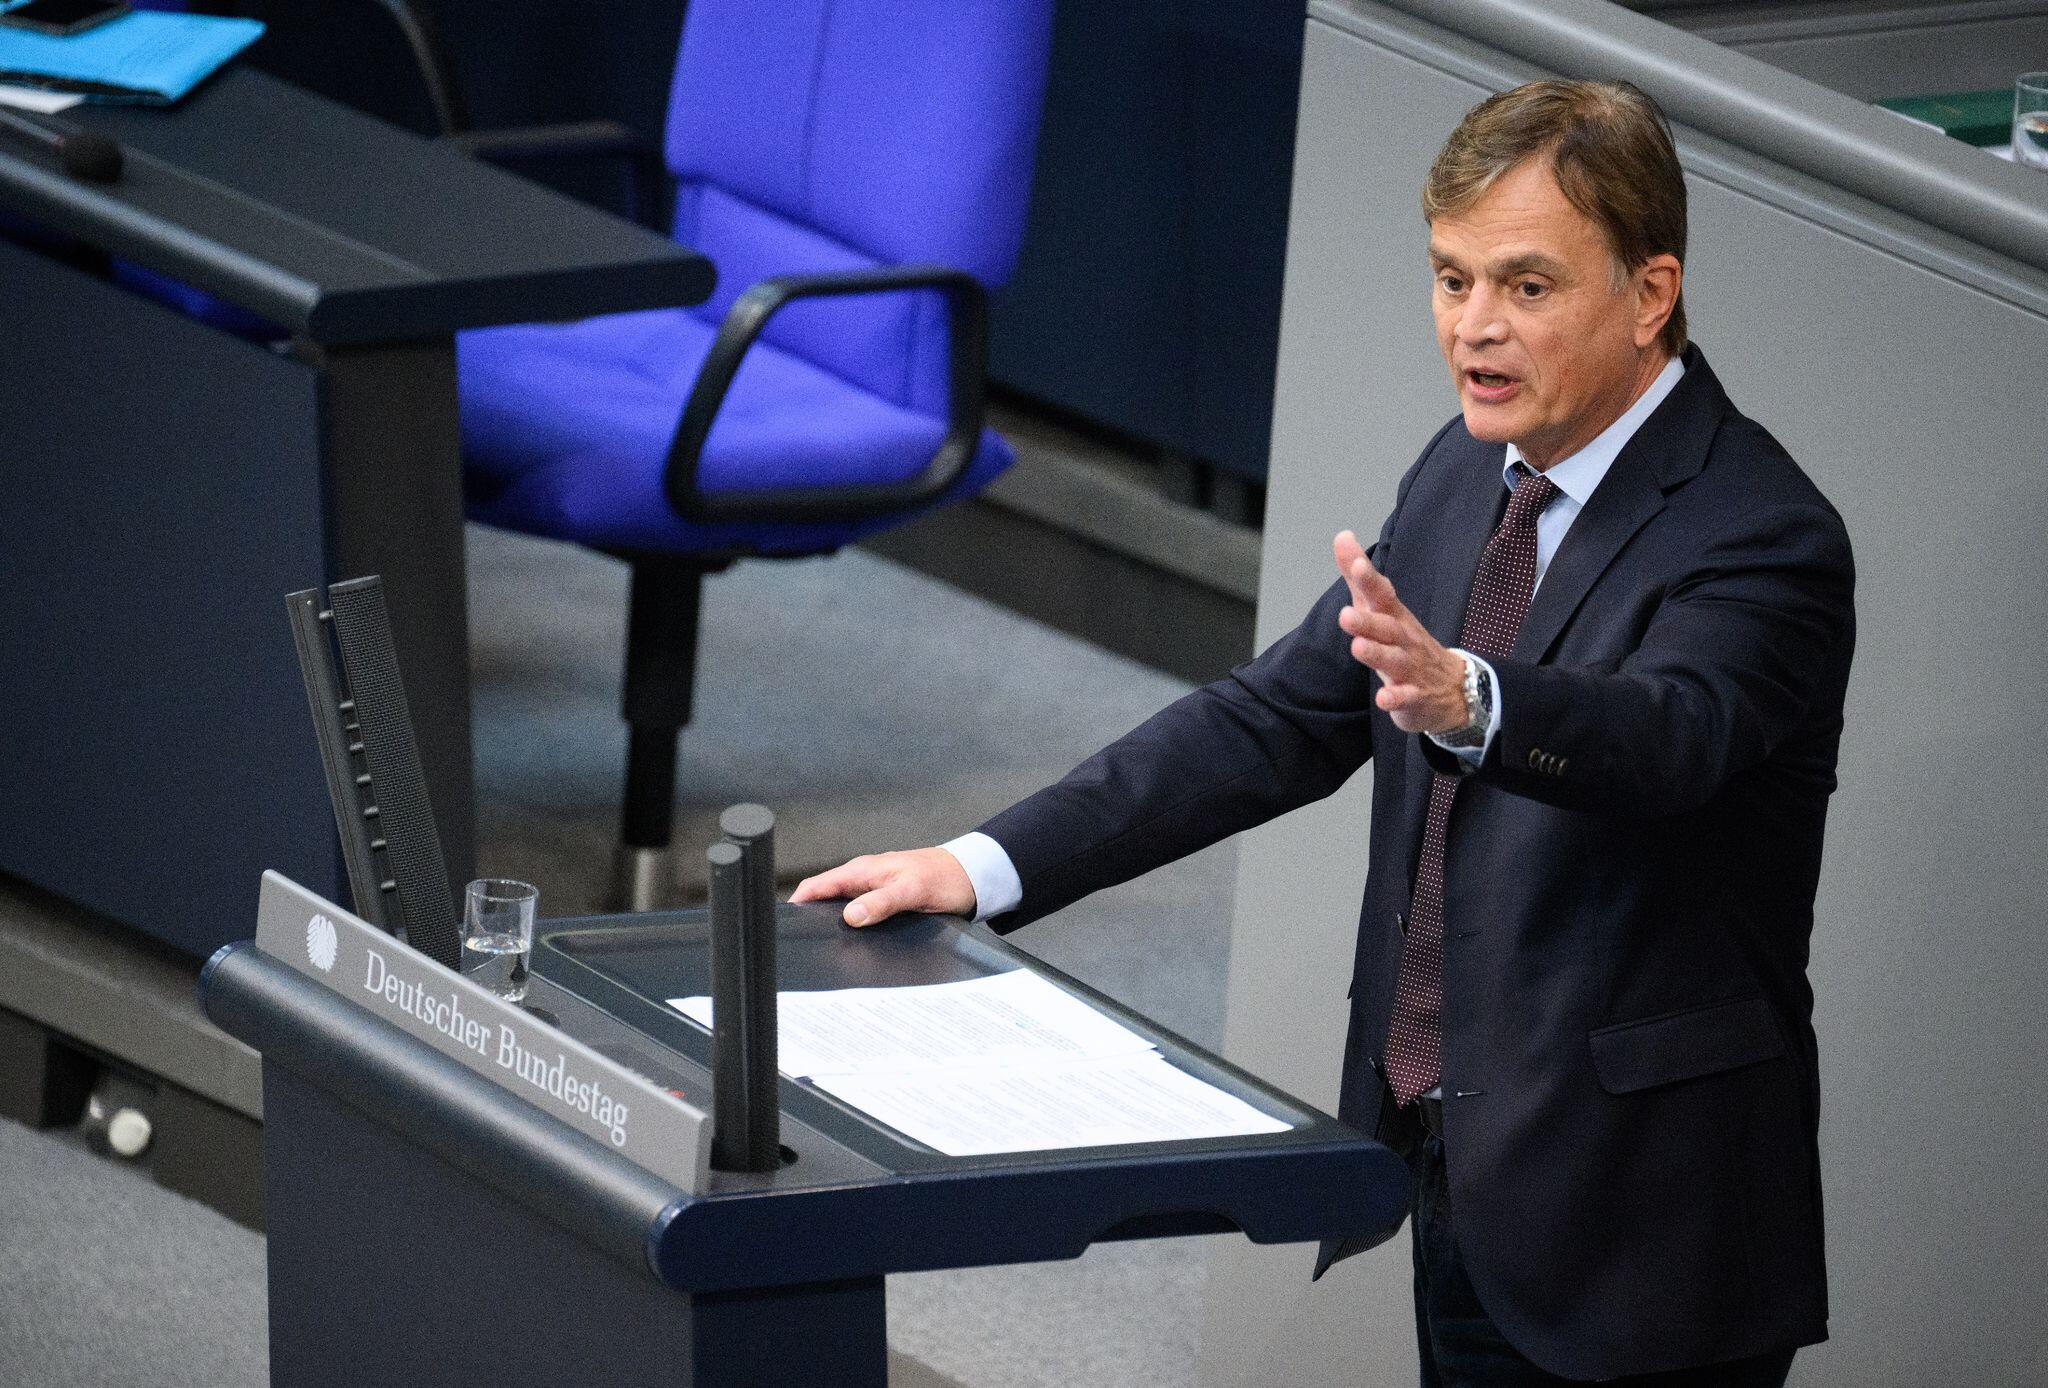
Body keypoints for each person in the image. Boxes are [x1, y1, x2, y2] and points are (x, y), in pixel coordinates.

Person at [793, 80, 1852, 1387]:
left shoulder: (1761, 533)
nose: (1474, 328)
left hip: (1638, 1218)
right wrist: (984, 866)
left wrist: (1478, 699)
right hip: (1459, 1159)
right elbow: (1276, 716)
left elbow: (1671, 735)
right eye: (1451, 279)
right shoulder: (1471, 468)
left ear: (1650, 292)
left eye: (1526, 287)